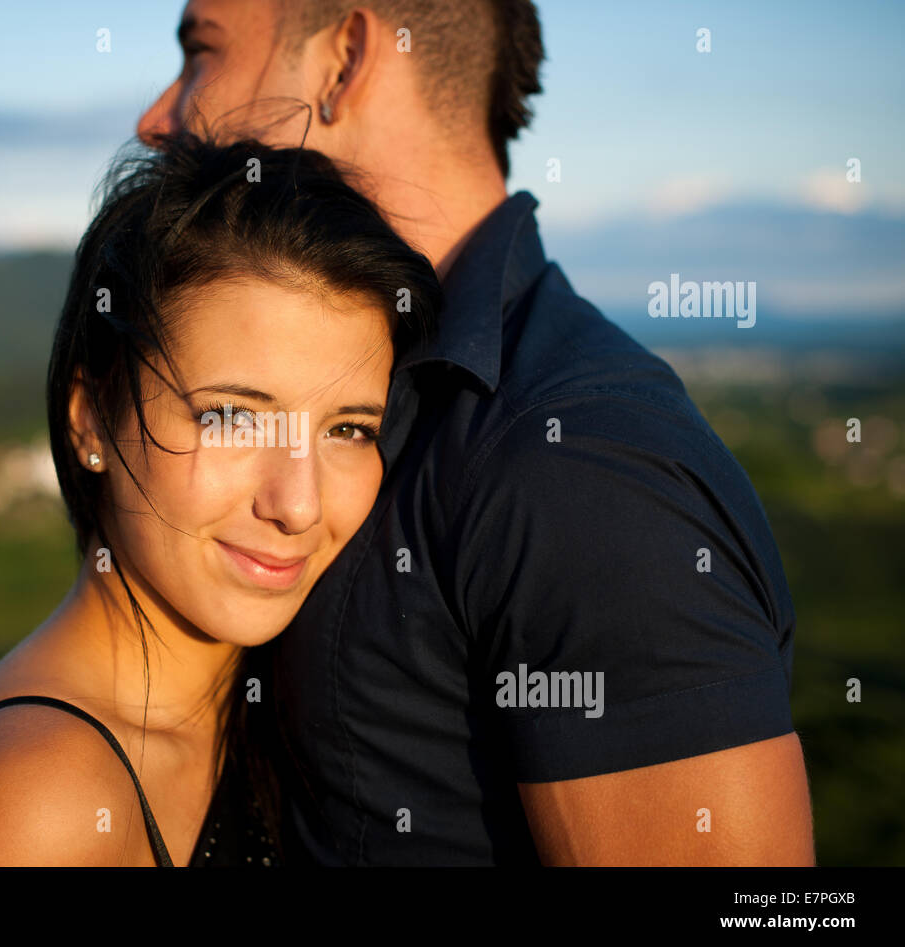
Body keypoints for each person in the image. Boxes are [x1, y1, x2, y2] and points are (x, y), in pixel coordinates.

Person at [135, 0, 816, 864]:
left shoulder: (580, 468)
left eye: (202, 52)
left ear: (344, 61)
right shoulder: (385, 387)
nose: (156, 118)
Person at [0, 132, 441, 865]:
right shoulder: (35, 800)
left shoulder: (275, 711)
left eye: (347, 428)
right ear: (91, 417)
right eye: (231, 417)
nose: (298, 505)